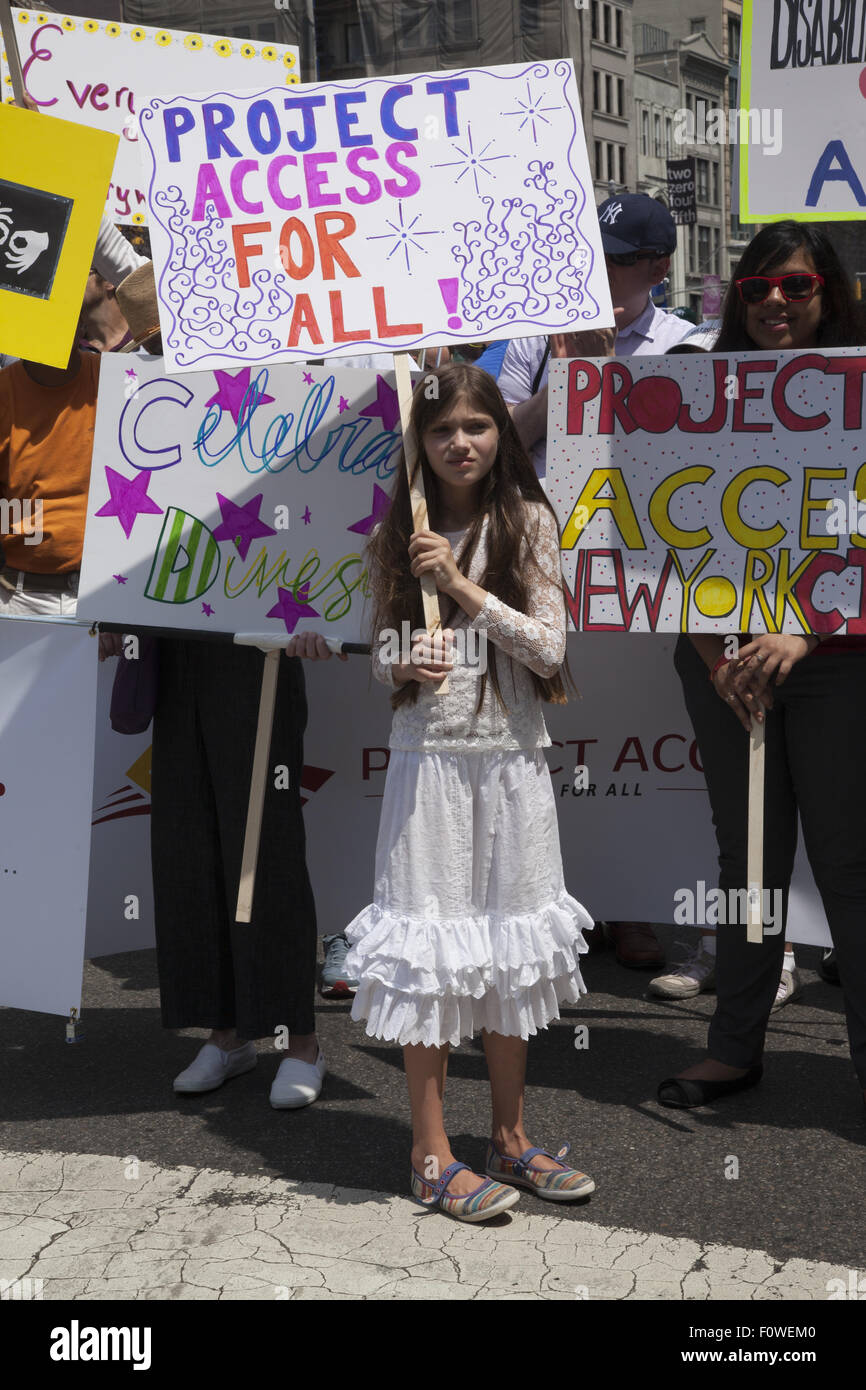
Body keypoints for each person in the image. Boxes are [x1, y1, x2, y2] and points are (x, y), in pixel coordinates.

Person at [335, 363, 594, 1220]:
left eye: (477, 426)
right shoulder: (398, 532)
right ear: (420, 441)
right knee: (433, 960)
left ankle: (511, 1139)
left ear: (501, 433)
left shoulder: (528, 521)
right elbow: (378, 653)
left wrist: (460, 588)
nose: (459, 443)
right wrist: (403, 661)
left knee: (510, 952)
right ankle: (430, 1150)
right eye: (442, 429)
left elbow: (549, 649)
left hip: (512, 763)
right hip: (430, 769)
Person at [657, 221, 866, 1110]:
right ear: (736, 298)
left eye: (798, 286)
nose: (777, 302)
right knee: (747, 863)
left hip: (834, 663)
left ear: (829, 292)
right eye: (758, 289)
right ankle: (734, 1049)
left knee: (850, 864)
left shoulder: (861, 388)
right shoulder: (695, 388)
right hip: (723, 661)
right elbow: (655, 527)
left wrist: (806, 632)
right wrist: (715, 651)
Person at [499, 194, 691, 970]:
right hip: (541, 561)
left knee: (630, 739)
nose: (595, 271)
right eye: (587, 254)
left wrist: (611, 373)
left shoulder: (684, 342)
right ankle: (562, 902)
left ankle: (631, 905)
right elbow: (500, 444)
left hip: (634, 566)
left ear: (655, 270)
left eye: (613, 260)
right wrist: (570, 369)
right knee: (557, 735)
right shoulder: (531, 336)